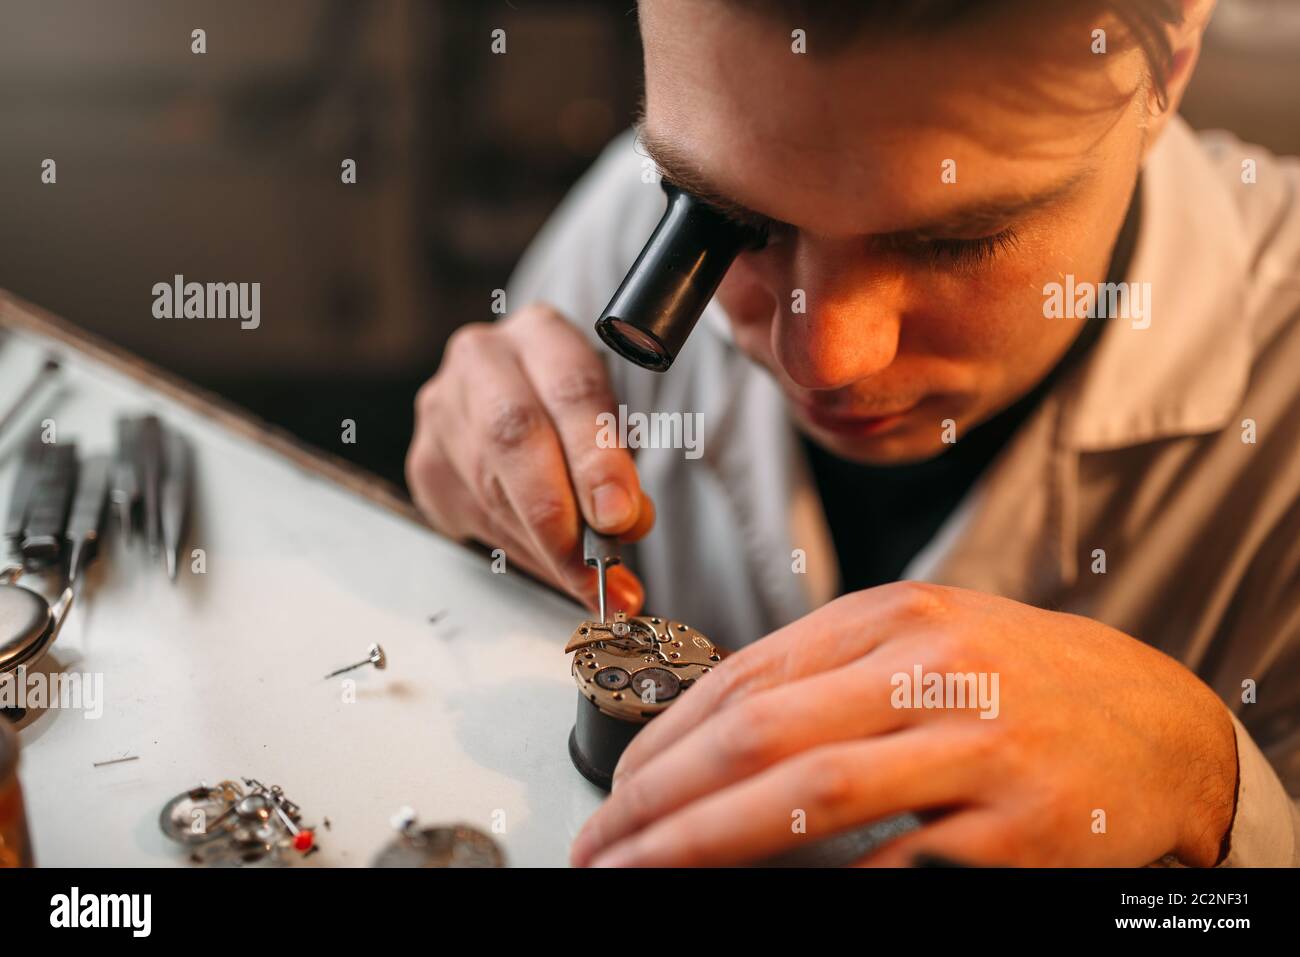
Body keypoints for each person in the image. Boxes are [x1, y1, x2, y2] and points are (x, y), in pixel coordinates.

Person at [406, 0, 1300, 867]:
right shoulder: (638, 199)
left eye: (957, 241)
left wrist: (1208, 785)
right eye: (728, 221)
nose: (824, 359)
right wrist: (463, 514)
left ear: (1172, 59)